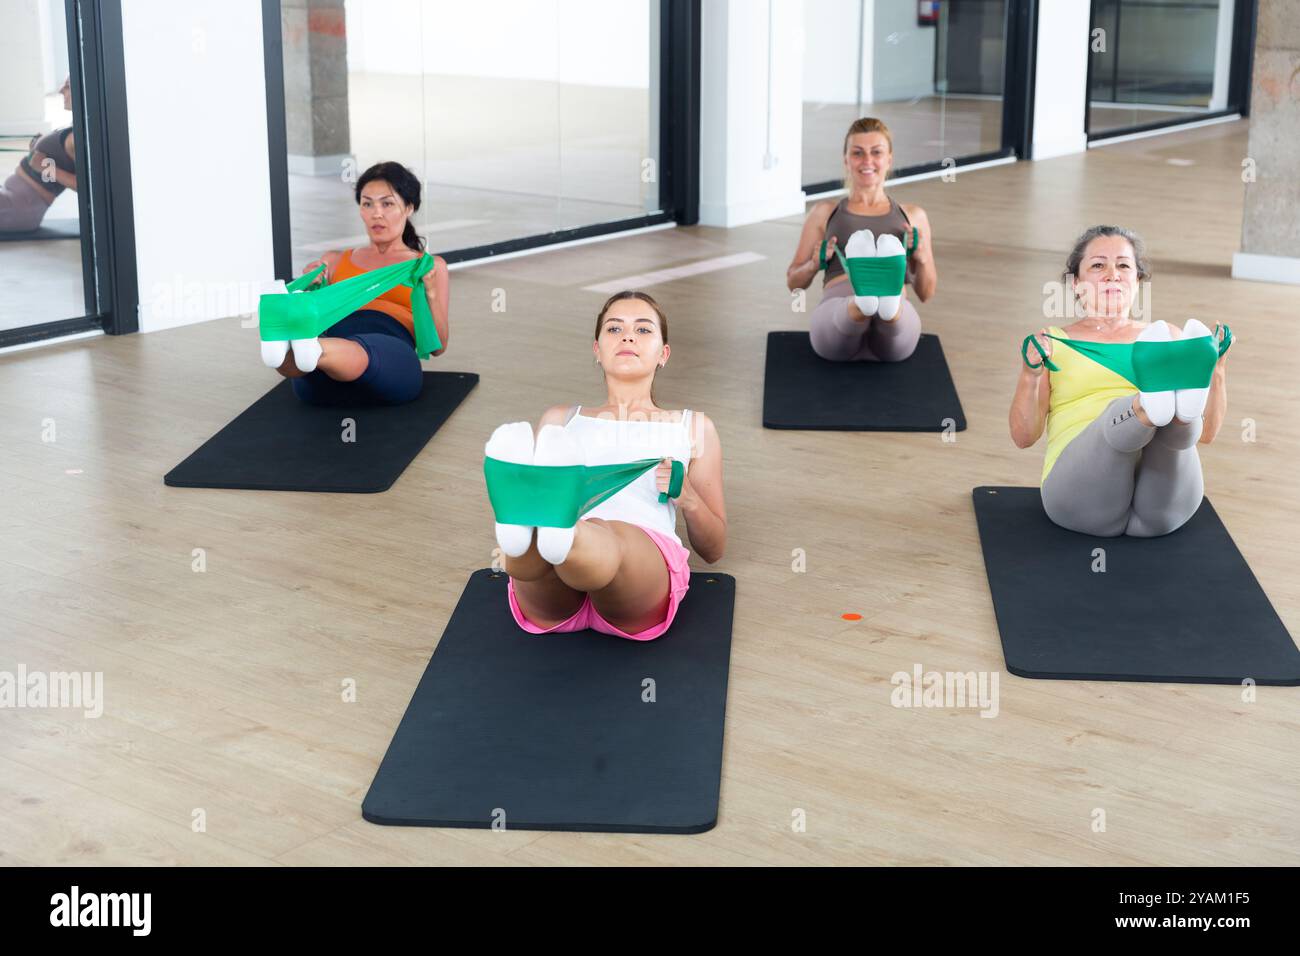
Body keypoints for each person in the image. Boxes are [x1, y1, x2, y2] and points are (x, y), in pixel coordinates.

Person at [489, 291, 727, 640]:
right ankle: (534, 534)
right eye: (614, 329)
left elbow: (714, 550)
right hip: (554, 593)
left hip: (641, 576)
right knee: (538, 551)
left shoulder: (693, 427)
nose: (628, 336)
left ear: (664, 354)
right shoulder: (559, 420)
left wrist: (688, 497)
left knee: (606, 536)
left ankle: (555, 532)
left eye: (643, 330)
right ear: (597, 350)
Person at [1008, 225, 1230, 537]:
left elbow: (1205, 436)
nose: (1113, 274)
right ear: (1076, 283)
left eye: (1124, 265)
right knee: (1121, 412)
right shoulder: (1051, 343)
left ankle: (1170, 410)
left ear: (1137, 280)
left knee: (1180, 426)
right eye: (1098, 265)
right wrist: (1029, 376)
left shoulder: (1166, 335)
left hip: (1162, 506)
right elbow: (1023, 437)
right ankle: (1148, 406)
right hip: (1080, 499)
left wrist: (1217, 370)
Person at [272, 161, 449, 405]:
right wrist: (309, 288)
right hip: (327, 377)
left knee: (363, 349)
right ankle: (286, 349)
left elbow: (438, 347)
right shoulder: (334, 261)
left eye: (387, 203)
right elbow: (320, 311)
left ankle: (307, 348)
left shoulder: (427, 267)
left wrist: (430, 292)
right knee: (307, 364)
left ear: (408, 208)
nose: (377, 213)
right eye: (367, 204)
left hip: (390, 358)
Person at [786, 117, 936, 362]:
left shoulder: (913, 216)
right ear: (846, 160)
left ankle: (885, 305)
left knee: (896, 321)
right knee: (843, 318)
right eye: (858, 153)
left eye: (876, 152)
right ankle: (861, 303)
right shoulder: (825, 212)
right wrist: (814, 264)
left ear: (889, 159)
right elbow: (794, 284)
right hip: (839, 303)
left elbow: (926, 293)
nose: (867, 161)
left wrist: (922, 257)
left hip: (894, 321)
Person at [0, 77, 77, 233]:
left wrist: (45, 167)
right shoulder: (73, 128)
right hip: (13, 202)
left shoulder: (76, 138)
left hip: (18, 208)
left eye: (67, 87)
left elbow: (88, 185)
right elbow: (50, 166)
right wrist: (37, 151)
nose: (60, 90)